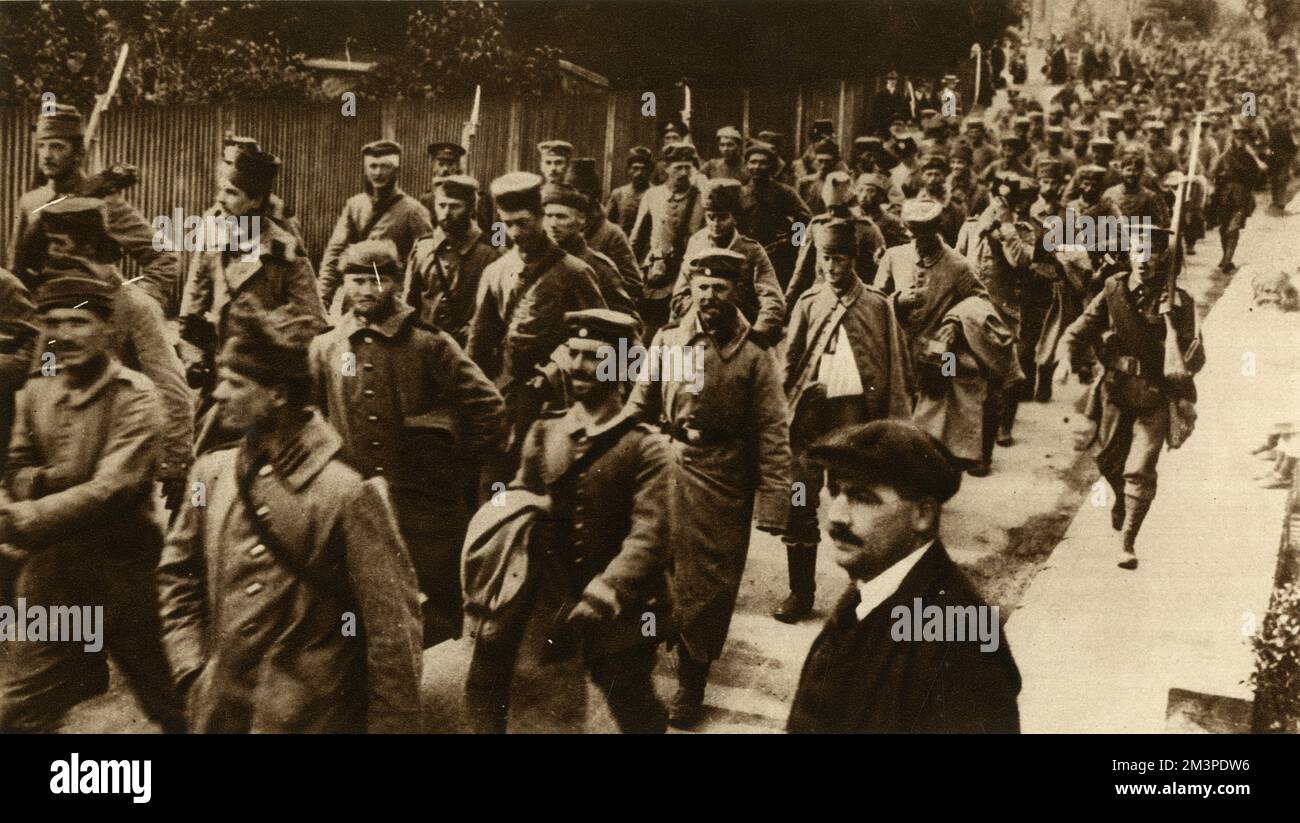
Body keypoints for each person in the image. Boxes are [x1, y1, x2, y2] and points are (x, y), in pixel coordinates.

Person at [157, 295, 424, 732]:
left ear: (279, 394)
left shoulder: (347, 492)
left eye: (235, 383)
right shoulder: (211, 474)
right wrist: (192, 670)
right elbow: (178, 577)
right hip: (221, 711)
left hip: (312, 718)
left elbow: (392, 631)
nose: (218, 394)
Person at [464, 309, 672, 734]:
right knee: (492, 674)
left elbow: (651, 533)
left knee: (629, 696)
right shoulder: (545, 431)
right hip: (548, 594)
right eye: (573, 353)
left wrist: (608, 589)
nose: (577, 366)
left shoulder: (646, 447)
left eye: (593, 357)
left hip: (616, 605)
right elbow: (517, 501)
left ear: (621, 367)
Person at [0, 275, 185, 734]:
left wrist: (35, 505)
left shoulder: (136, 396)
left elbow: (113, 490)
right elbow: (17, 466)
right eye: (54, 322)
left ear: (108, 327)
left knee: (173, 700)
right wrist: (45, 483)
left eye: (79, 321)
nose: (63, 334)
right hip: (53, 574)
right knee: (21, 708)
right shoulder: (37, 391)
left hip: (126, 574)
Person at [311, 240, 506, 647]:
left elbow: (488, 406)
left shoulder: (428, 343)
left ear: (397, 283)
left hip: (419, 500)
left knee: (427, 594)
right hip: (353, 495)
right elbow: (311, 417)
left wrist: (456, 464)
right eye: (357, 281)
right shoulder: (325, 346)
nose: (366, 290)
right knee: (350, 592)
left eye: (377, 281)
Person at [626, 247, 791, 729]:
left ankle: (691, 684)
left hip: (724, 479)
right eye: (702, 287)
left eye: (720, 288)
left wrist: (774, 502)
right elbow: (640, 402)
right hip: (667, 467)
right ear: (691, 289)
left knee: (708, 585)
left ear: (734, 291)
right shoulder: (668, 340)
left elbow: (773, 430)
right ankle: (645, 661)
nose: (710, 297)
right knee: (652, 572)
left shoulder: (755, 355)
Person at [786, 419, 1021, 732]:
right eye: (835, 492)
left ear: (923, 514)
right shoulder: (867, 594)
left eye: (863, 497)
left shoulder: (960, 637)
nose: (836, 516)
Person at [778, 221, 912, 623]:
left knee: (855, 503)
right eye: (825, 258)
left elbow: (893, 368)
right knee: (799, 500)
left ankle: (861, 594)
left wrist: (894, 427)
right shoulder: (808, 302)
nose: (830, 267)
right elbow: (789, 364)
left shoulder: (876, 304)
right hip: (810, 421)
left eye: (838, 259)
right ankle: (800, 593)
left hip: (854, 418)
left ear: (853, 259)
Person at [1057, 226, 1204, 570]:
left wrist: (1174, 336)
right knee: (1109, 461)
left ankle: (1128, 542)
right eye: (1137, 251)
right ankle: (1122, 499)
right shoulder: (1113, 290)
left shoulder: (1180, 302)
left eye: (1151, 253)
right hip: (1115, 392)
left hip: (1154, 397)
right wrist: (1067, 357)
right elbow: (1080, 328)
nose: (1143, 260)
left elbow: (1196, 356)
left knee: (1139, 469)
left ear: (1162, 258)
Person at [466, 172, 606, 461]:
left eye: (522, 223)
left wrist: (555, 371)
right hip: (505, 394)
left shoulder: (574, 271)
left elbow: (601, 336)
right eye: (507, 225)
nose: (515, 232)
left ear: (541, 217)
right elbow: (479, 340)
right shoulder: (497, 271)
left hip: (557, 399)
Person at [876, 200, 1014, 475]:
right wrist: (898, 301)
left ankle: (967, 454)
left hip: (941, 352)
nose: (917, 242)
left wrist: (955, 321)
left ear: (937, 229)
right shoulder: (894, 256)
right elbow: (876, 299)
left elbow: (980, 300)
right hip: (899, 348)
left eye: (924, 235)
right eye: (912, 234)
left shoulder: (957, 265)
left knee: (967, 382)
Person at [318, 140, 434, 312]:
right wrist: (323, 298)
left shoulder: (413, 210)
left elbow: (427, 261)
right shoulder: (355, 206)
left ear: (396, 169)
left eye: (384, 166)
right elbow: (335, 252)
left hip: (393, 299)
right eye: (373, 166)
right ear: (365, 169)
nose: (378, 173)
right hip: (357, 297)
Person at [669, 178, 785, 347]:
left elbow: (773, 300)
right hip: (700, 332)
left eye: (723, 217)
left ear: (735, 218)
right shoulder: (696, 243)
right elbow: (680, 296)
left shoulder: (751, 250)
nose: (715, 224)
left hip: (741, 334)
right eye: (711, 217)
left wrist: (756, 335)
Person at [403, 174, 503, 348]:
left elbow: (499, 311)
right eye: (441, 205)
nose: (446, 213)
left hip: (471, 350)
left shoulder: (490, 253)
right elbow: (409, 304)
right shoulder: (423, 248)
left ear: (471, 208)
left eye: (455, 206)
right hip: (426, 348)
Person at [629, 143, 706, 336]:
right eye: (678, 167)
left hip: (689, 273)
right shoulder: (653, 195)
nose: (683, 172)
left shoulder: (701, 198)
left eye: (687, 167)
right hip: (658, 275)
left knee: (684, 330)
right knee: (650, 329)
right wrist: (634, 274)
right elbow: (636, 239)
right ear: (666, 168)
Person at [738, 140, 813, 289]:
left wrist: (794, 244)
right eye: (753, 162)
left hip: (777, 257)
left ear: (771, 166)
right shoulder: (740, 193)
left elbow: (805, 219)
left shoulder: (785, 192)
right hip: (746, 255)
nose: (757, 167)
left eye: (763, 163)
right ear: (746, 165)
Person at [1208, 117, 1267, 273]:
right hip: (1224, 197)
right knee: (1223, 229)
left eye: (1243, 137)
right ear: (1233, 137)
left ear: (1247, 139)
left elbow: (1258, 176)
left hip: (1242, 198)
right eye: (1238, 136)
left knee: (1233, 229)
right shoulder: (1225, 156)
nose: (1241, 140)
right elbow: (1212, 173)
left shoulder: (1249, 158)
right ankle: (1225, 255)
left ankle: (1228, 260)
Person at [606, 146, 655, 237]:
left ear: (650, 171)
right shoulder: (618, 194)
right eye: (635, 168)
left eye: (643, 169)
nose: (639, 173)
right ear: (629, 170)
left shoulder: (657, 194)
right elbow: (607, 224)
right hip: (622, 245)